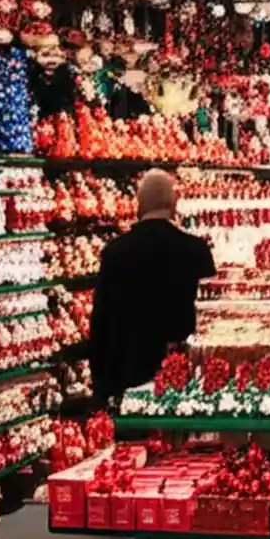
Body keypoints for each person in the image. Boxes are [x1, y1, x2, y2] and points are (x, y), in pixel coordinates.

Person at [89, 169, 216, 405]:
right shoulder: (195, 250)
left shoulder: (116, 252)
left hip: (127, 372)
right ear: (173, 203)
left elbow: (100, 322)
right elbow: (209, 318)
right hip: (181, 376)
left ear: (139, 204)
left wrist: (100, 387)